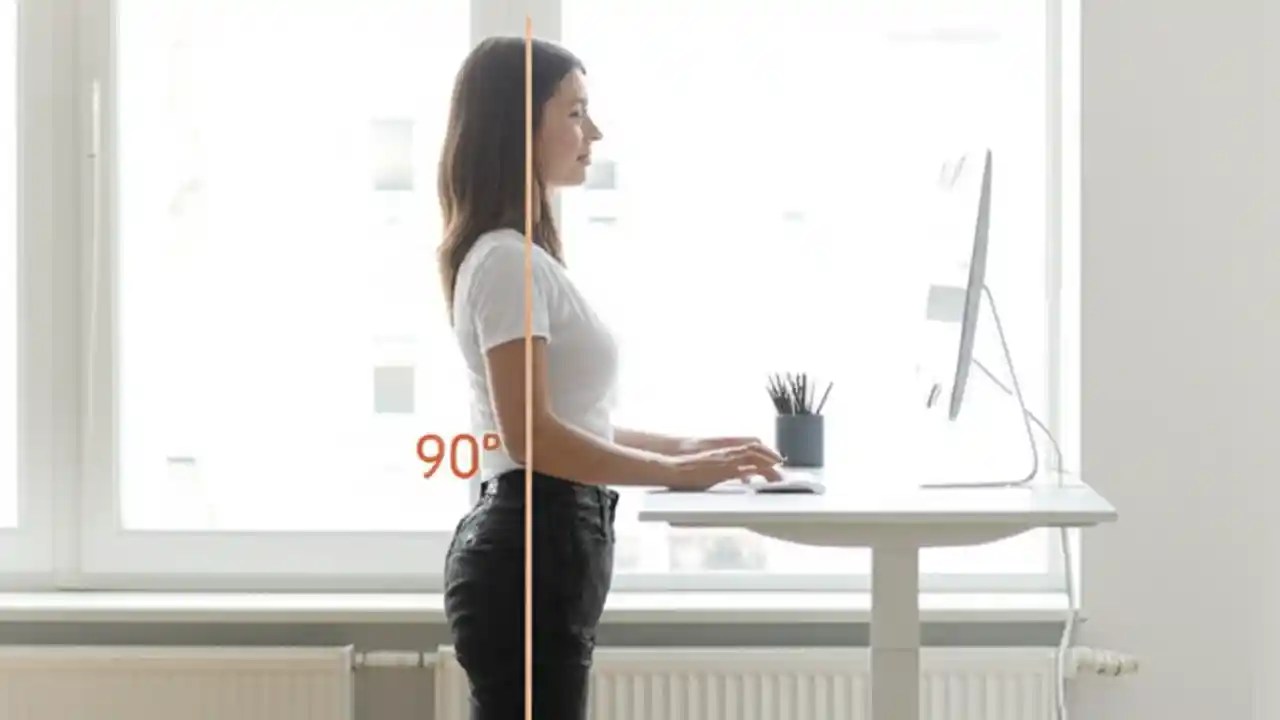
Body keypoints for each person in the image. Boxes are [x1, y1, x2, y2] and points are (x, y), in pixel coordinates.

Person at [435, 36, 786, 720]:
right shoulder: (507, 265)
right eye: (574, 112)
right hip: (530, 554)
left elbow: (569, 419)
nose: (592, 132)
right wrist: (673, 472)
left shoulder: (521, 259)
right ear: (521, 124)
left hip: (543, 550)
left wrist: (688, 450)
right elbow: (533, 437)